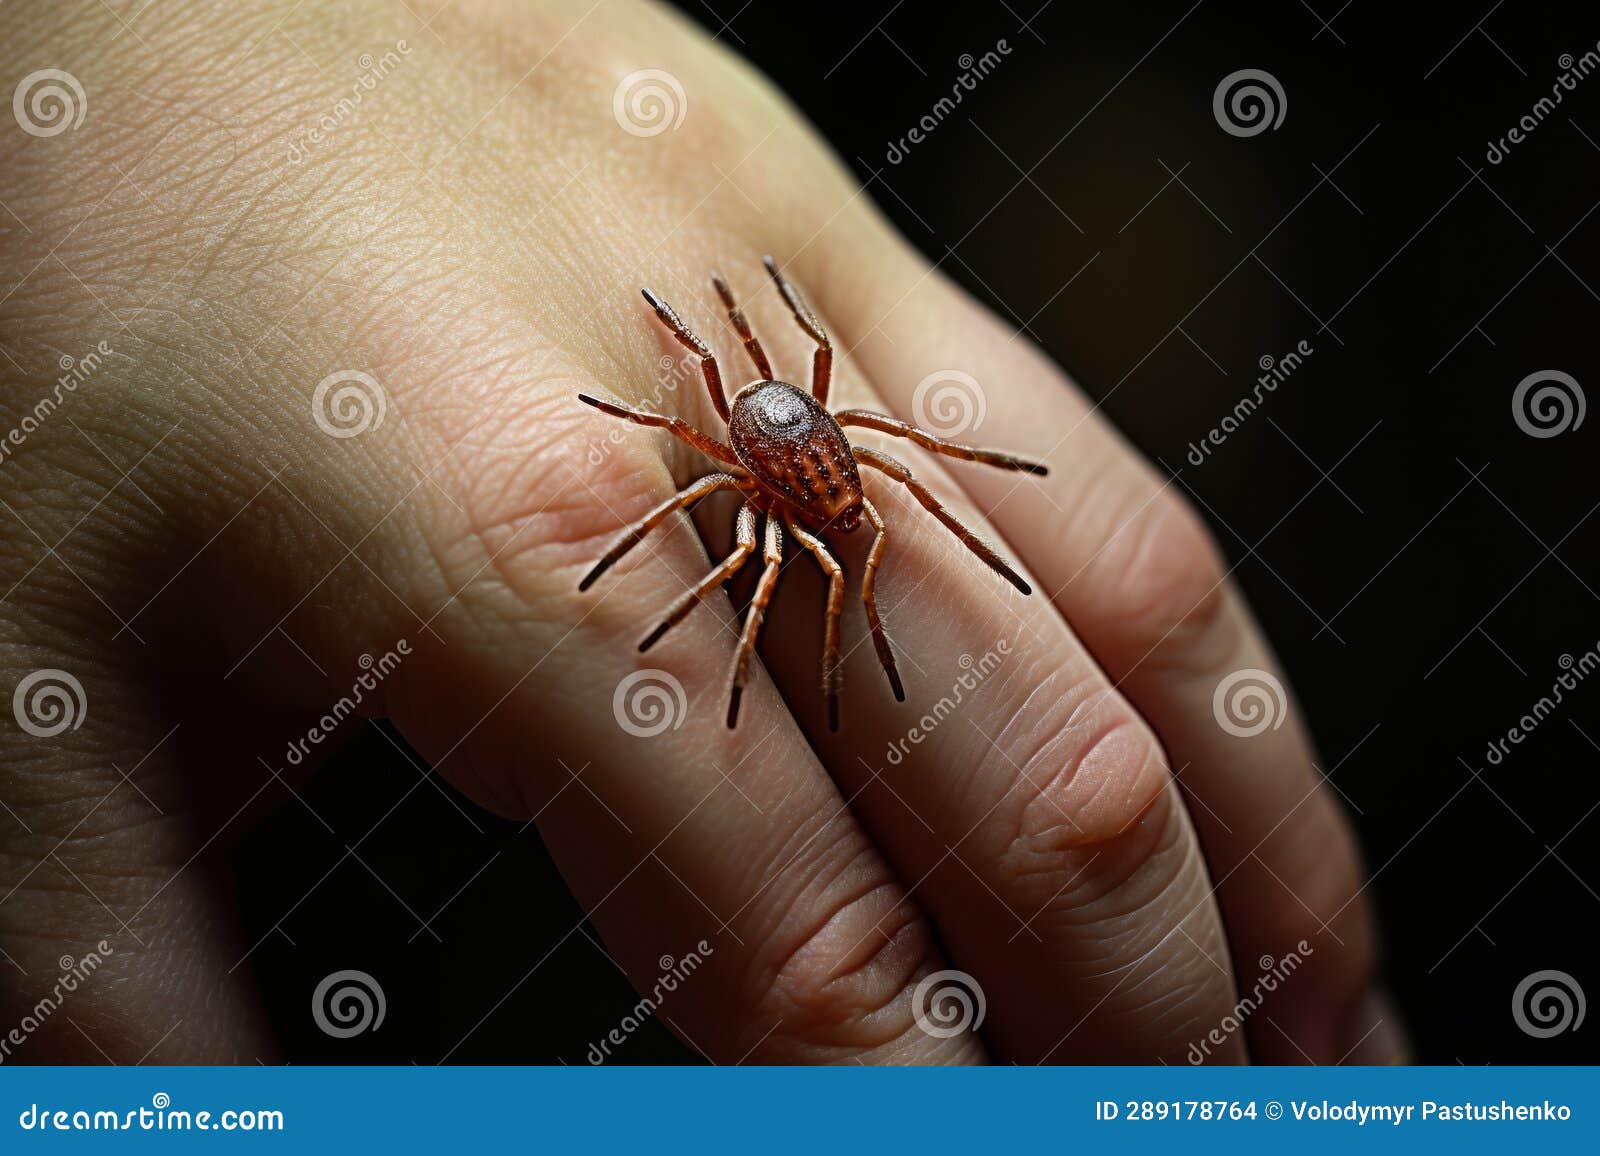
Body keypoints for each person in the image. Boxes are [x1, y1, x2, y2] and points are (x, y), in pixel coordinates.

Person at [0, 0, 1399, 1064]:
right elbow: (711, 478)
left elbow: (856, 455)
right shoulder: (744, 462)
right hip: (780, 436)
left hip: (812, 437)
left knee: (872, 517)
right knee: (760, 545)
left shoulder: (848, 471)